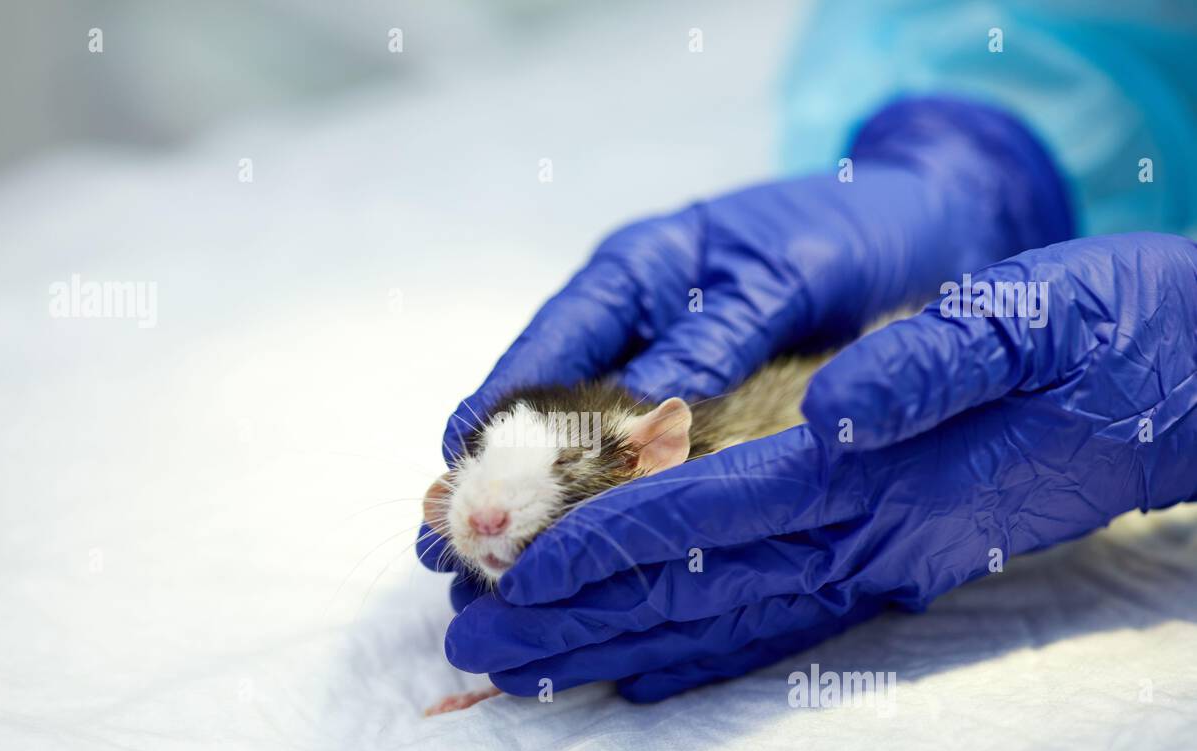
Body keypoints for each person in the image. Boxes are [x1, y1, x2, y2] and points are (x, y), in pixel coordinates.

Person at [419, 1, 1197, 702]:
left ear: (650, 452)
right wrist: (981, 154)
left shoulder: (664, 449)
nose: (481, 513)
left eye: (560, 468)